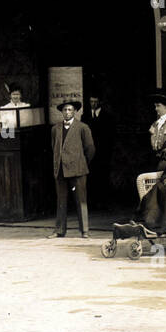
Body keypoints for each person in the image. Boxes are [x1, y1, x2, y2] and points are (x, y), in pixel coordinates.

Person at [48, 99, 94, 239]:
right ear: (61, 112)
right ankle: (59, 230)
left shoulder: (82, 127)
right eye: (65, 110)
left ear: (75, 112)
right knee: (61, 200)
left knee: (81, 200)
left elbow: (90, 148)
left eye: (70, 110)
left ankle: (84, 230)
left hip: (78, 169)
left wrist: (82, 162)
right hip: (61, 169)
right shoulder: (55, 128)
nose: (67, 112)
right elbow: (54, 147)